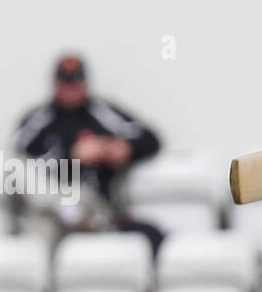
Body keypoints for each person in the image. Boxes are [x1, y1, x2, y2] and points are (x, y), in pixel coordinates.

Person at [12, 54, 163, 250]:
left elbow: (150, 139)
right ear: (55, 84)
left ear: (85, 83)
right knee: (16, 171)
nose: (70, 89)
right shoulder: (39, 119)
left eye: (75, 82)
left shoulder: (102, 113)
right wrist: (71, 155)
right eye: (65, 83)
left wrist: (121, 148)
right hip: (51, 206)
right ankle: (71, 215)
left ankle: (78, 216)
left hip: (92, 202)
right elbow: (18, 148)